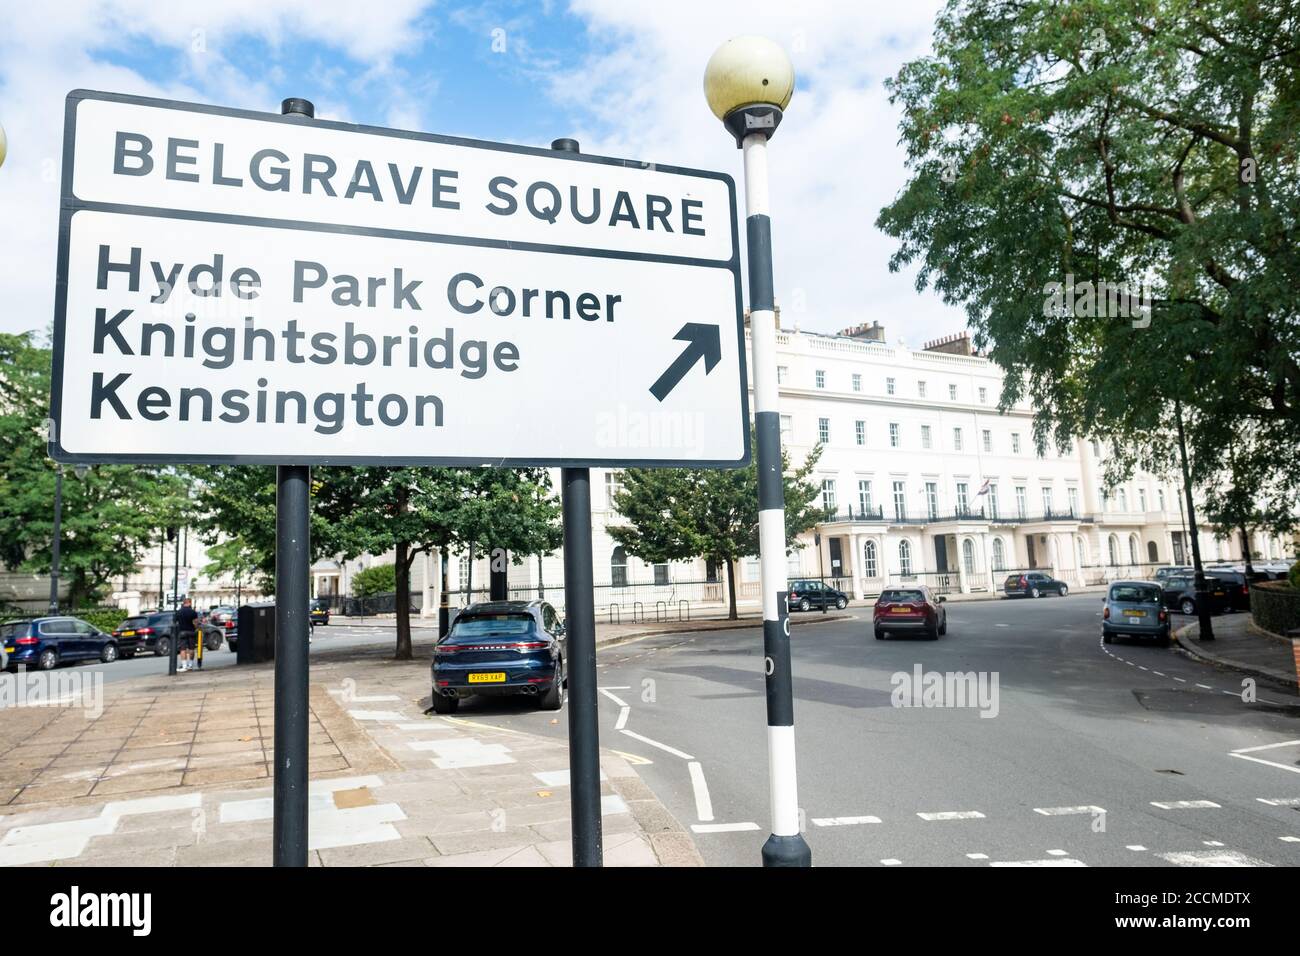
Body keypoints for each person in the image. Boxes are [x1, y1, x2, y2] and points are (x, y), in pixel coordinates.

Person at [176, 597, 199, 672]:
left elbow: (176, 622)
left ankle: (184, 666)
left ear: (184, 603)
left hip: (182, 632)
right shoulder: (193, 612)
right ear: (189, 603)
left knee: (183, 649)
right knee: (191, 649)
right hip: (191, 631)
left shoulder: (178, 612)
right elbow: (196, 623)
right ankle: (190, 665)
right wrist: (196, 628)